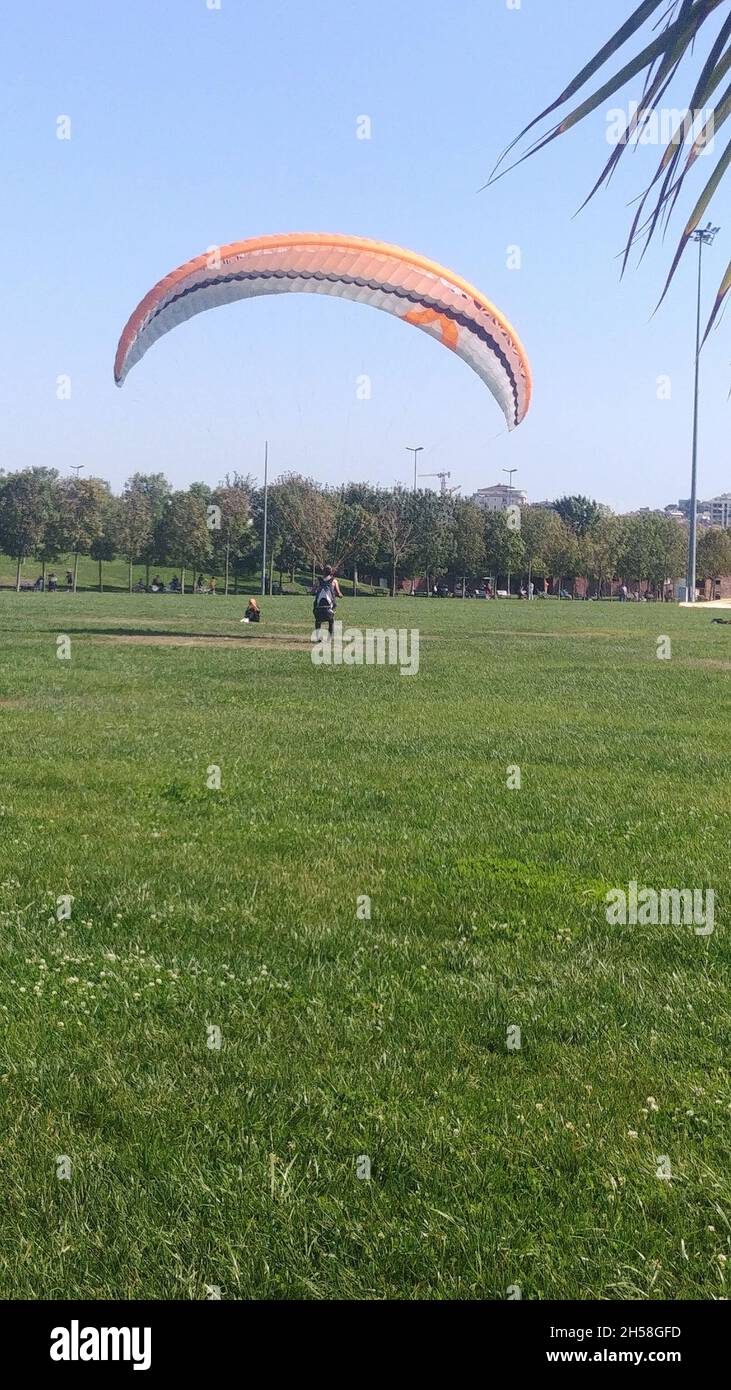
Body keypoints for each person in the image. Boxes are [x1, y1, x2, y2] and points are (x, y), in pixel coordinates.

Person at [312, 565, 341, 636]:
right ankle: (330, 636)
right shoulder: (334, 581)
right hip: (329, 609)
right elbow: (339, 593)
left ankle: (318, 636)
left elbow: (313, 591)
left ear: (323, 572)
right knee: (331, 621)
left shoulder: (318, 580)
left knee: (318, 620)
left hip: (319, 609)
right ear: (331, 572)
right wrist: (339, 595)